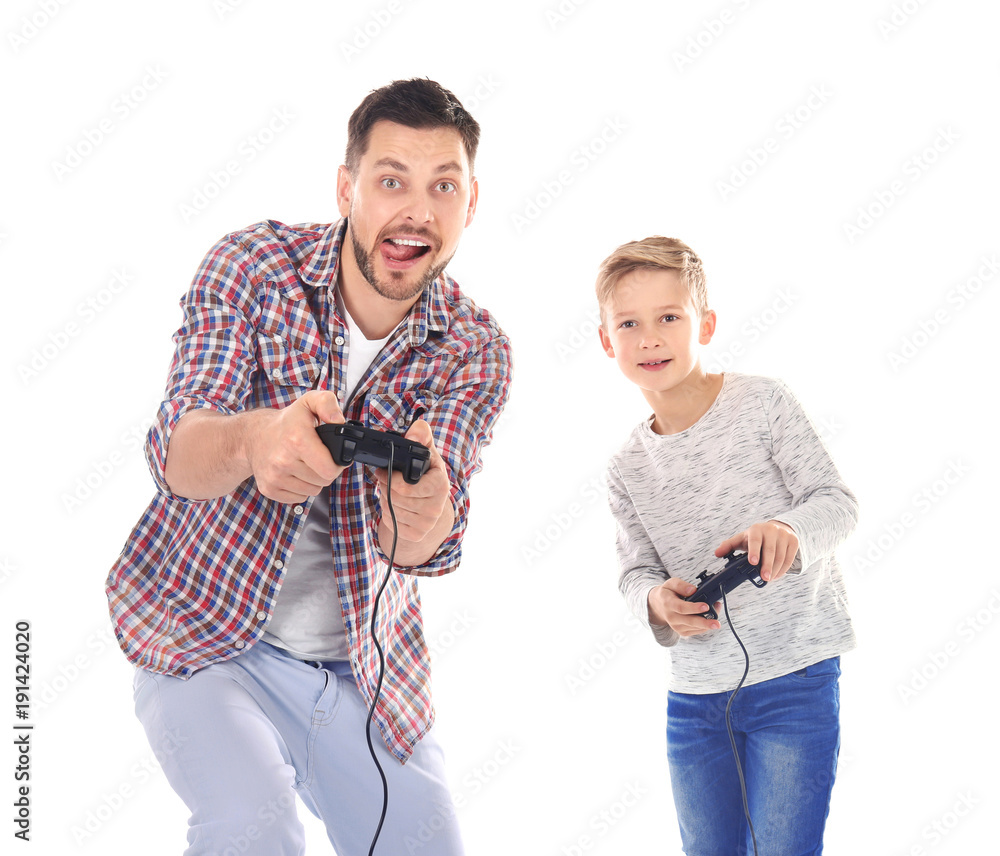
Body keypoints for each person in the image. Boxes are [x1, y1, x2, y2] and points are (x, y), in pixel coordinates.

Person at [106, 78, 511, 856]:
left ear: (471, 204)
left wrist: (421, 512)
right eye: (390, 181)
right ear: (346, 188)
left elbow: (427, 538)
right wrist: (253, 442)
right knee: (253, 825)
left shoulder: (475, 349)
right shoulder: (253, 266)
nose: (416, 212)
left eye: (443, 186)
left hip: (364, 669)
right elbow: (175, 451)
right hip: (204, 637)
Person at [596, 236, 856, 855]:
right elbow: (634, 572)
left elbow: (837, 503)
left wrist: (788, 530)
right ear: (607, 341)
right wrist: (656, 601)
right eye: (629, 324)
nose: (649, 339)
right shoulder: (625, 465)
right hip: (695, 700)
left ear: (705, 324)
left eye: (668, 317)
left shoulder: (764, 403)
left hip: (795, 682)